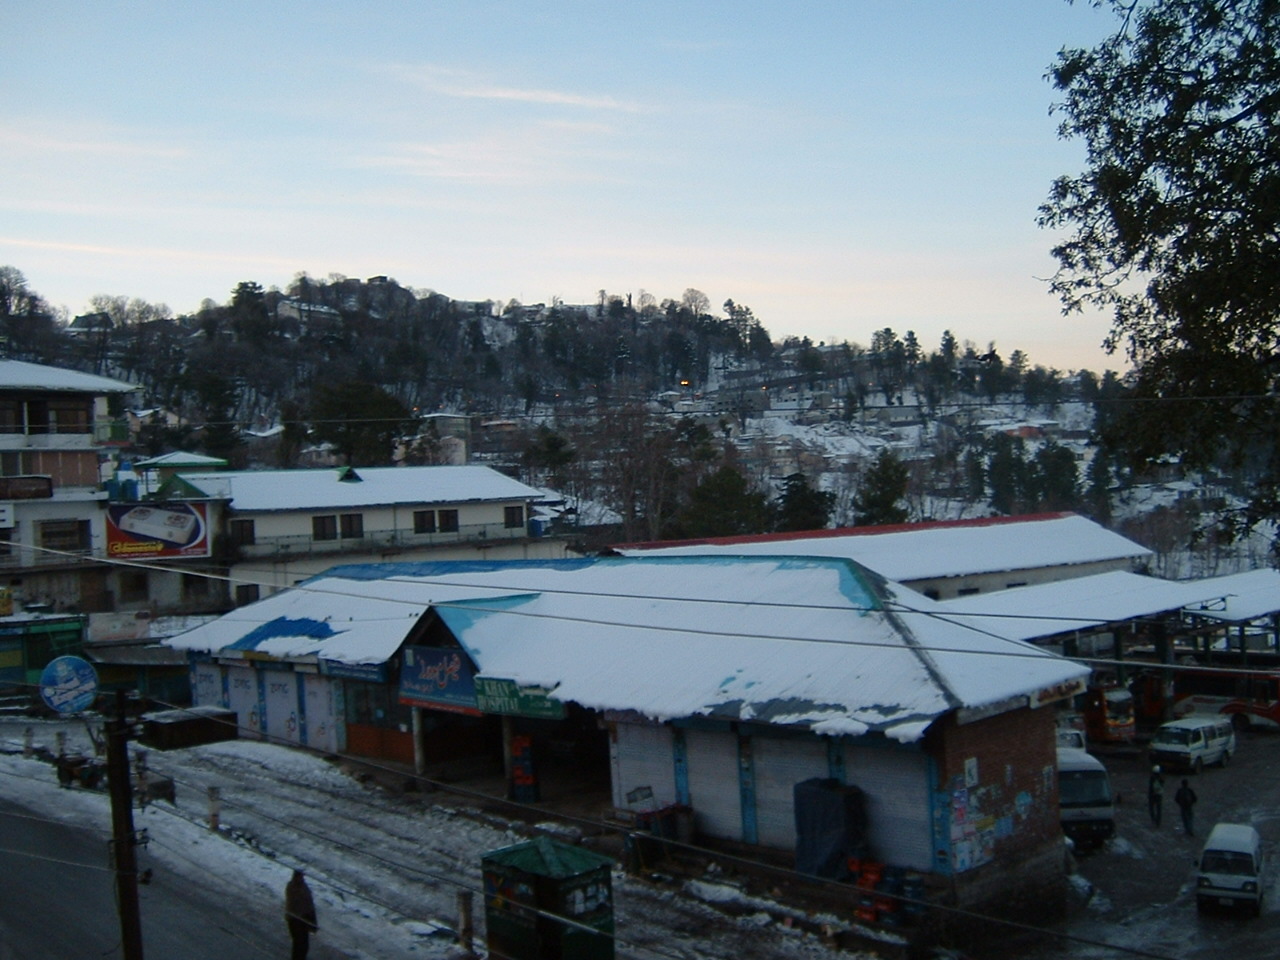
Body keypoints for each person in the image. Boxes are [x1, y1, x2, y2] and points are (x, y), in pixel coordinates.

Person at [284, 868, 318, 960]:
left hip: (302, 920)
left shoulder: (303, 887)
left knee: (303, 945)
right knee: (299, 944)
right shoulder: (293, 887)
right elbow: (298, 904)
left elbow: (309, 904)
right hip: (296, 920)